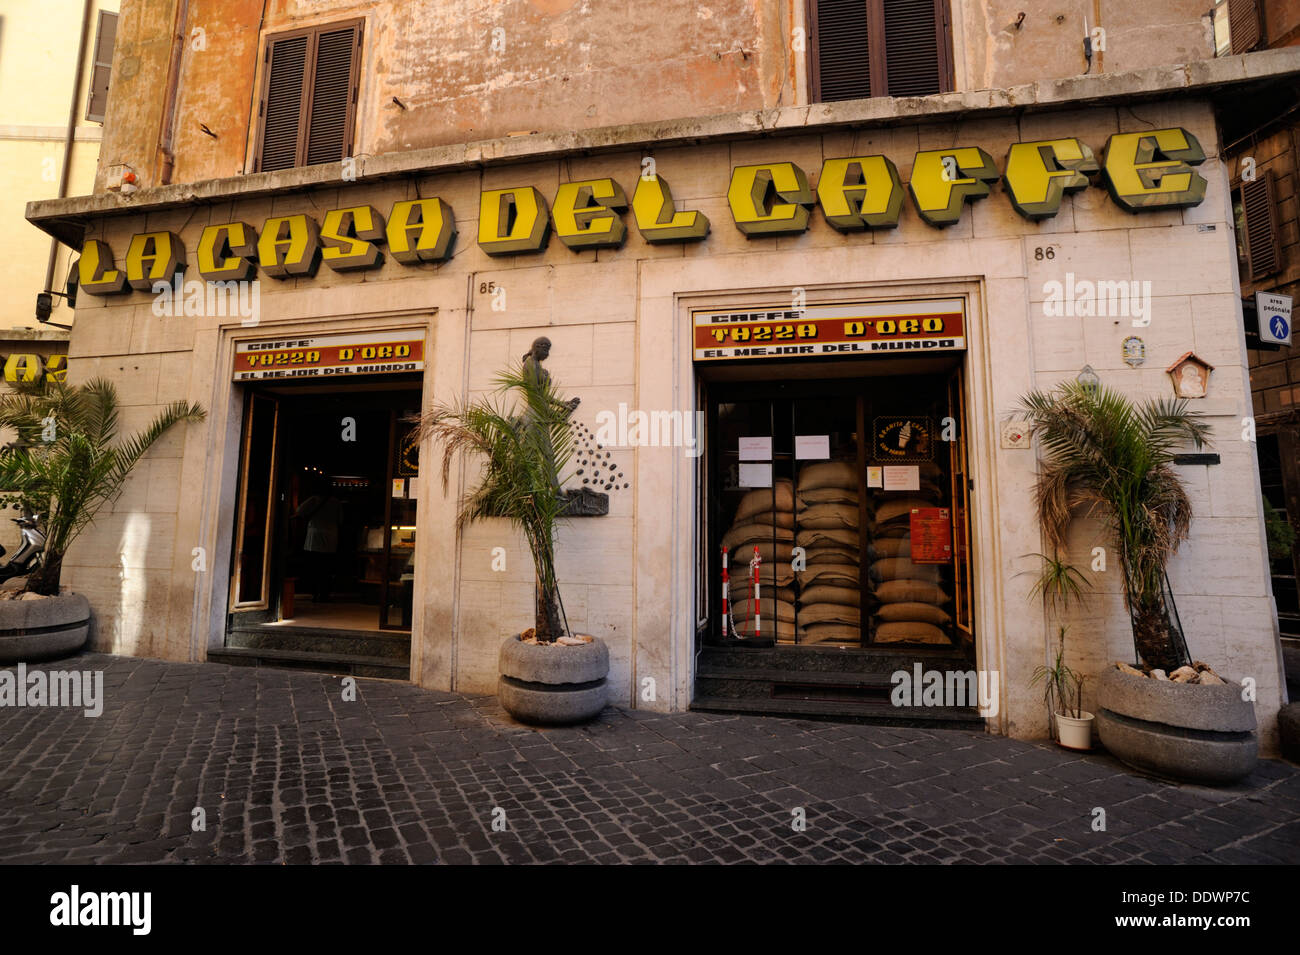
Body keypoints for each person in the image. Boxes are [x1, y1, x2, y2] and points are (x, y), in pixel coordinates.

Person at [293, 475, 342, 603]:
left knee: (314, 566)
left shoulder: (314, 499)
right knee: (327, 567)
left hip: (314, 538)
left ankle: (315, 593)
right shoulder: (336, 502)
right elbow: (340, 519)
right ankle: (325, 593)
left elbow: (299, 510)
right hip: (331, 538)